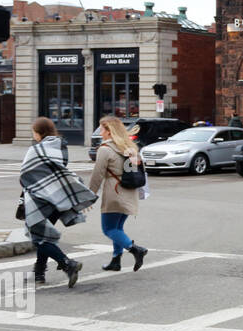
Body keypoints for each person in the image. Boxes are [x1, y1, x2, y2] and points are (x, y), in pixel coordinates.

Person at [20, 117, 96, 287]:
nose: (33, 135)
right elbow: (60, 172)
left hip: (39, 200)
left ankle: (68, 264)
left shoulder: (35, 150)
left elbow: (25, 173)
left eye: (34, 132)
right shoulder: (60, 147)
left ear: (39, 133)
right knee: (43, 234)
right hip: (56, 199)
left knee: (38, 238)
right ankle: (39, 273)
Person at [88, 116, 148, 272]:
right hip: (129, 192)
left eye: (102, 130)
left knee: (109, 229)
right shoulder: (130, 147)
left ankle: (136, 249)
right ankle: (116, 260)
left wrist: (90, 195)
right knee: (118, 228)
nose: (101, 133)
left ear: (109, 132)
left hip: (114, 193)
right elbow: (137, 171)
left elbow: (97, 175)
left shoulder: (105, 149)